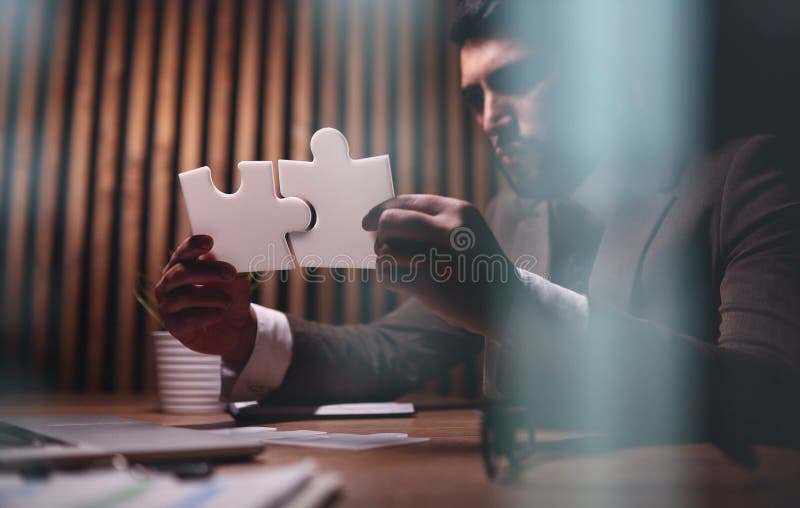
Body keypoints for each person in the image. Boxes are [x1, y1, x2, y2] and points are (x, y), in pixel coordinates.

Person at [155, 0, 800, 444]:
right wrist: (242, 333)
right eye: (475, 97)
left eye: (513, 80)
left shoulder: (743, 178)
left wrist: (513, 304)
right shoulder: (508, 216)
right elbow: (387, 353)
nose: (491, 118)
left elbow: (772, 394)